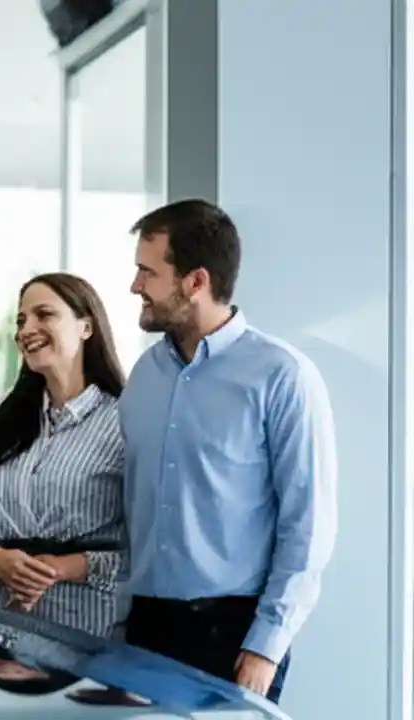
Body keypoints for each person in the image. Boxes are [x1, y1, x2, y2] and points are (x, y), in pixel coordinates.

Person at [117, 198, 338, 704]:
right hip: (144, 630)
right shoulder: (144, 377)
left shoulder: (282, 376)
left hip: (232, 638)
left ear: (195, 281)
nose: (135, 286)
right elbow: (132, 511)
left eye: (148, 272)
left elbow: (308, 525)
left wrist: (267, 646)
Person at [0, 272, 127, 639]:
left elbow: (145, 556)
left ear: (86, 327)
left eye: (44, 314)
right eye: (21, 320)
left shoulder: (126, 423)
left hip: (87, 636)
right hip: (5, 632)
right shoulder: (7, 422)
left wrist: (63, 567)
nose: (26, 329)